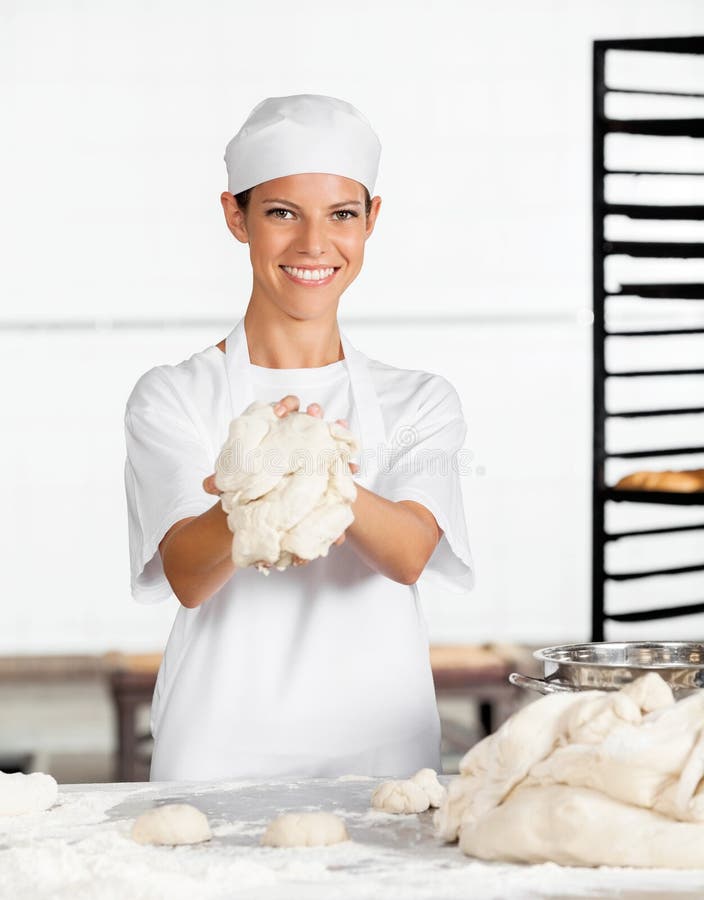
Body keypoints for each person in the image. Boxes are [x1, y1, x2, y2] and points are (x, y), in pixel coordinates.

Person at [124, 94, 475, 782]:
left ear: (371, 221)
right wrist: (256, 489)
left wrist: (310, 466)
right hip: (216, 744)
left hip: (385, 746)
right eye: (282, 213)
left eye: (342, 214)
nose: (314, 245)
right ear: (236, 217)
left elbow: (406, 554)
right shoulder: (172, 396)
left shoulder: (422, 400)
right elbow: (188, 577)